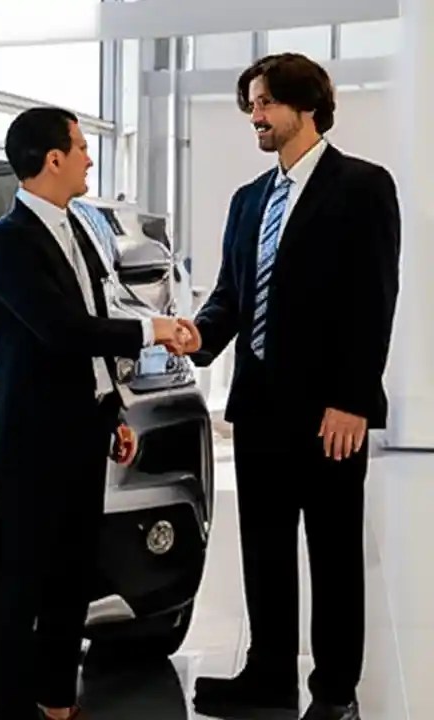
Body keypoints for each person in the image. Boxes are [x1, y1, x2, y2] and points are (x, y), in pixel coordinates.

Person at [183, 53, 401, 720]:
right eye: (250, 103)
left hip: (329, 412)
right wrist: (195, 336)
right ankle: (268, 675)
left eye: (265, 103)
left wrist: (353, 400)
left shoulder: (363, 186)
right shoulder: (250, 200)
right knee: (265, 553)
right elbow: (231, 296)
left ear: (305, 107)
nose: (255, 115)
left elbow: (373, 299)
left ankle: (335, 692)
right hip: (259, 409)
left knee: (333, 557)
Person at [0, 106, 198, 720]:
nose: (88, 159)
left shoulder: (76, 229)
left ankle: (56, 702)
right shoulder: (10, 241)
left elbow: (89, 328)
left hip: (81, 430)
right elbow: (62, 331)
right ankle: (7, 709)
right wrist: (155, 330)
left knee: (73, 579)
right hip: (32, 441)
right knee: (24, 583)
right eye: (80, 147)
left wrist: (113, 414)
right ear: (53, 159)